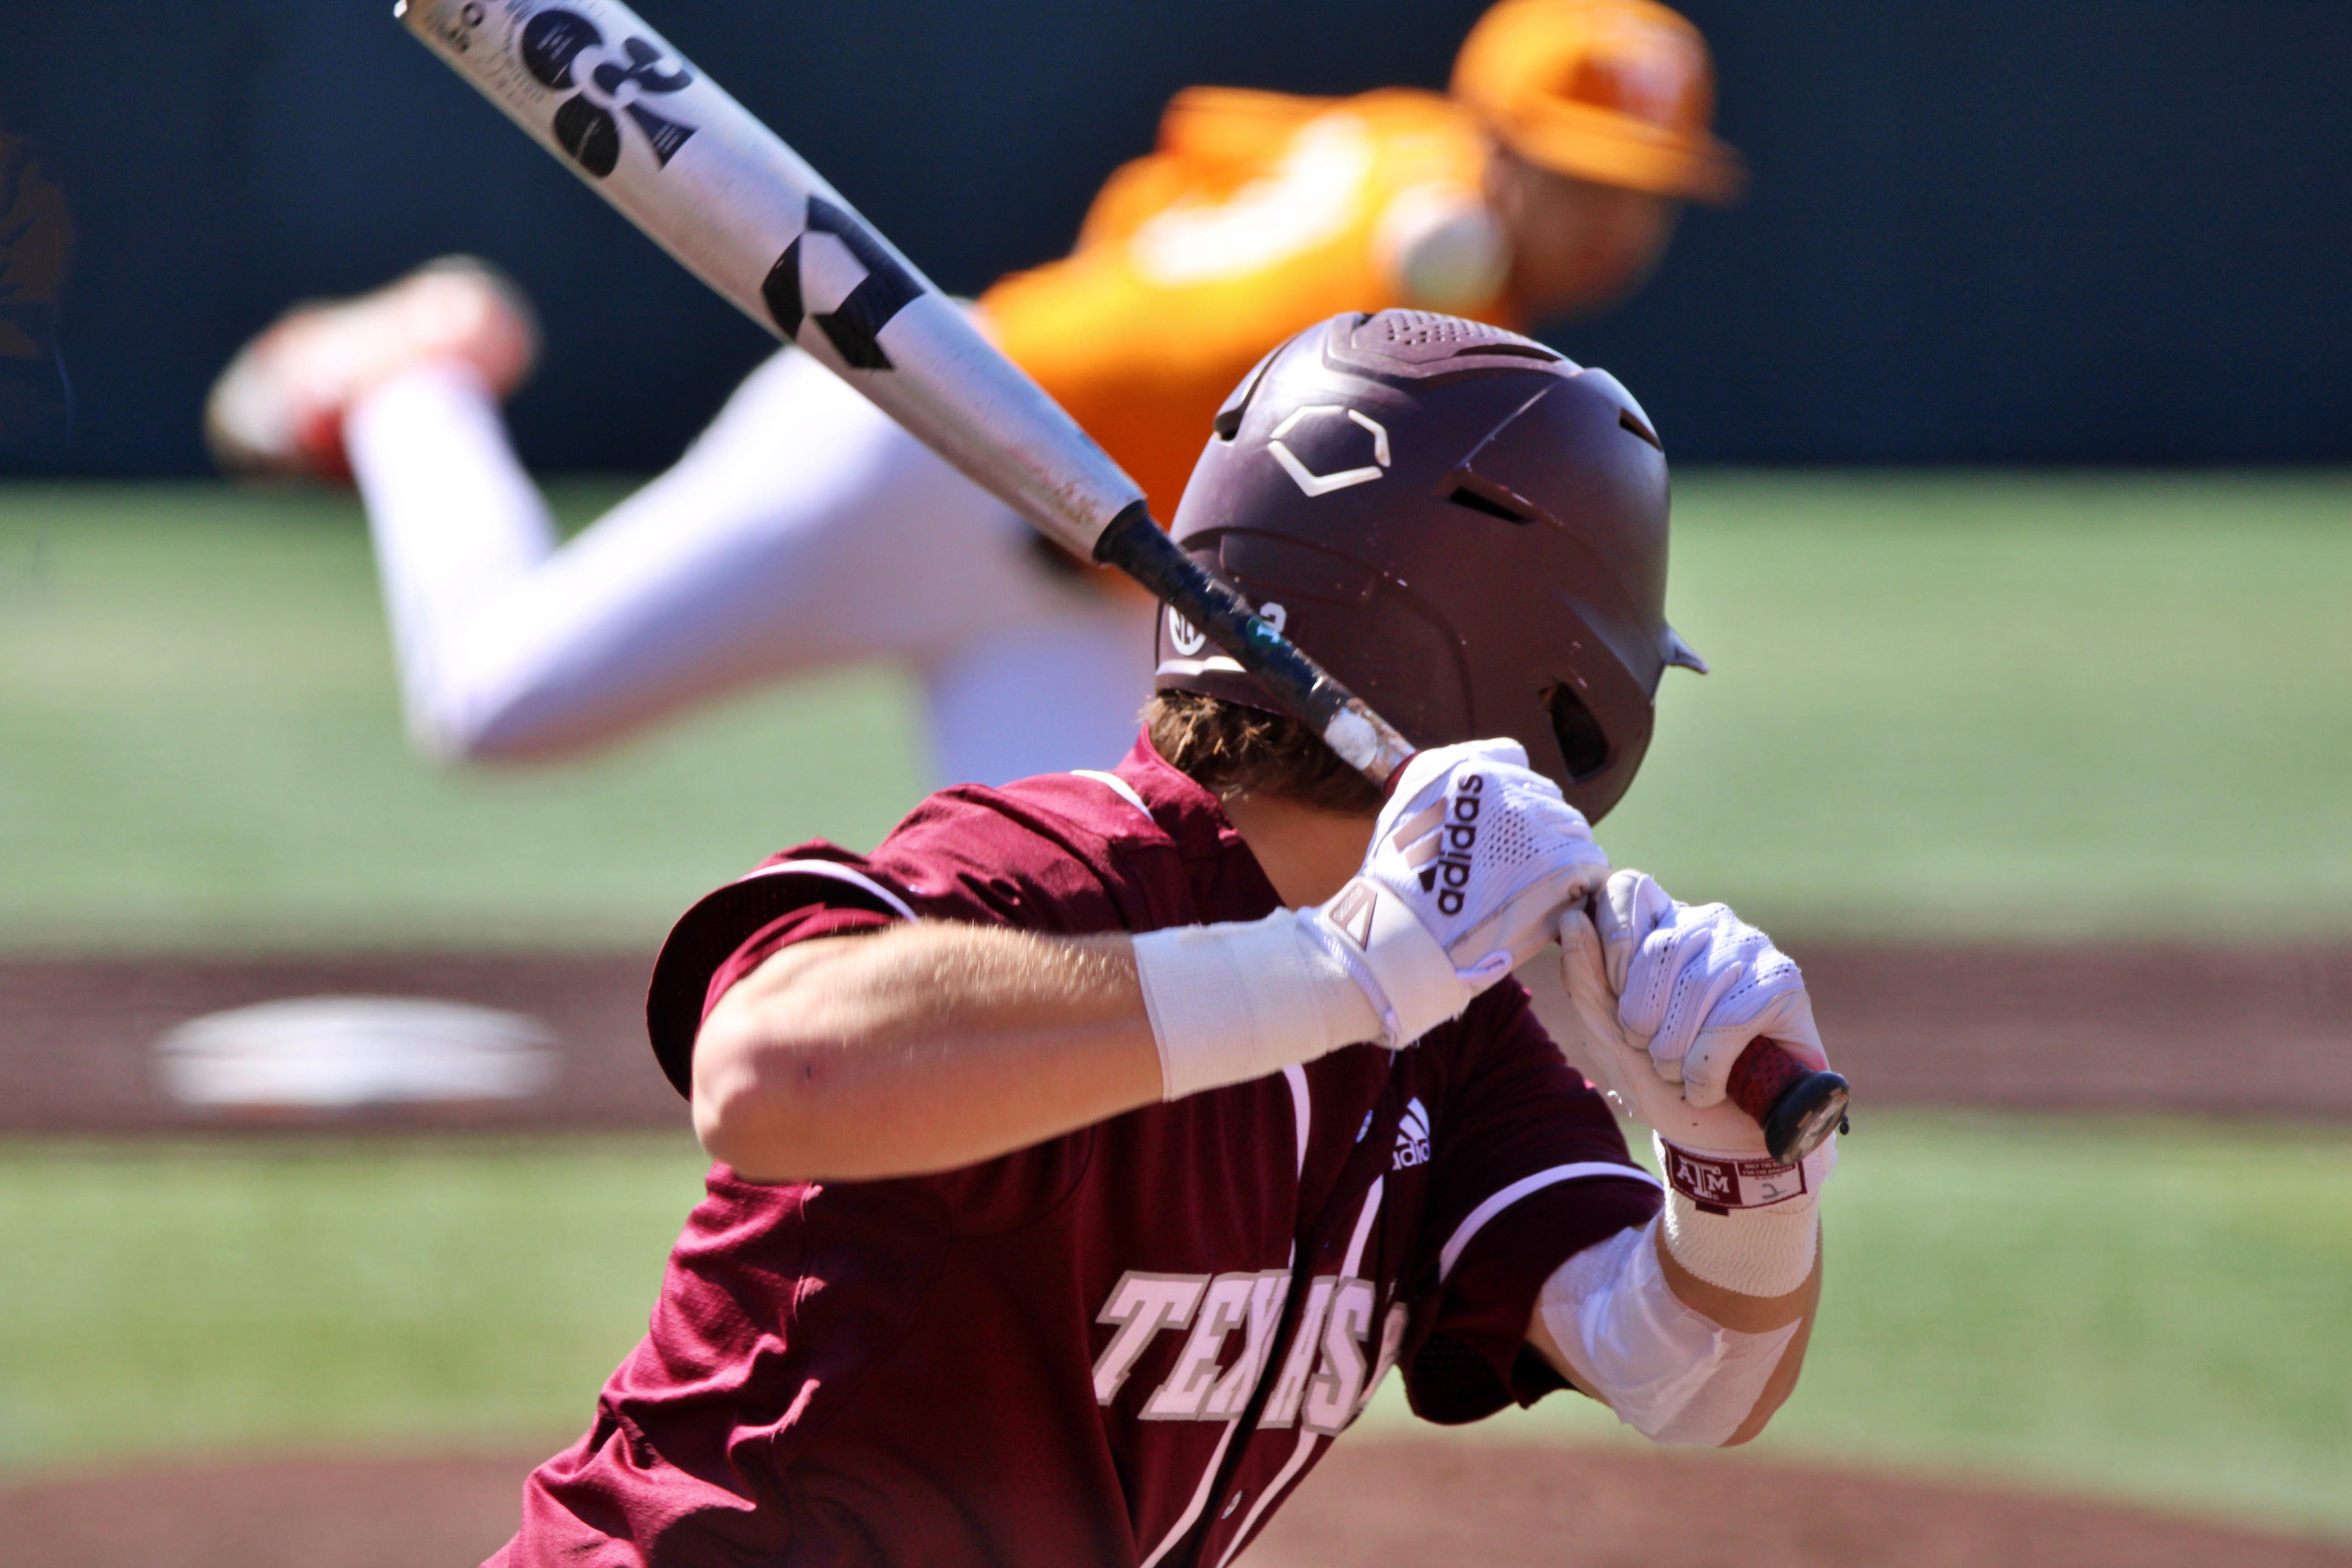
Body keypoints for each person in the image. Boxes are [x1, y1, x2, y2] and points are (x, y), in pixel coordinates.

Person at [485, 311, 1834, 1566]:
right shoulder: (1055, 874)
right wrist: (1343, 968)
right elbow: (768, 1073)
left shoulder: (1446, 1024)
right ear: (1568, 680)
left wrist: (1736, 1178)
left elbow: (1694, 1378)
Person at [203, 0, 1741, 788]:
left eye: (1646, 188)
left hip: (1080, 577)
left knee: (1079, 949)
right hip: (923, 449)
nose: (1623, 219)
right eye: (1588, 174)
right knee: (490, 705)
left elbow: (1168, 173)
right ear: (1502, 140)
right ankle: (415, 386)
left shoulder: (1391, 139)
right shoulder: (1437, 262)